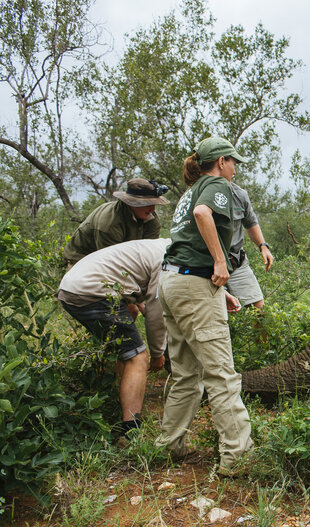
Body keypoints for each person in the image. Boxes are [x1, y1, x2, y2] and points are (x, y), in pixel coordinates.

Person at [156, 136, 252, 475]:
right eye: (233, 162)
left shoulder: (189, 191)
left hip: (172, 282)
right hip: (193, 283)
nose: (235, 168)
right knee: (221, 374)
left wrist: (213, 288)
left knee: (185, 373)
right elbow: (203, 215)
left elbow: (187, 237)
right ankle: (238, 458)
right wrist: (219, 262)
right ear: (222, 161)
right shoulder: (215, 185)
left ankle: (169, 444)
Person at [58, 238, 171, 440]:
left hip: (72, 288)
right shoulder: (168, 258)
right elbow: (156, 313)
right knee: (137, 357)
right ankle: (130, 431)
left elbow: (139, 295)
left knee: (128, 323)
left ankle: (113, 396)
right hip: (91, 292)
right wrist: (157, 353)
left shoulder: (158, 246)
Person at [63, 178, 170, 266]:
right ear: (133, 203)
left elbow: (148, 254)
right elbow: (109, 262)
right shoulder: (109, 224)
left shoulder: (151, 219)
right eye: (148, 204)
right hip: (81, 261)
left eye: (154, 204)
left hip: (121, 260)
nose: (153, 209)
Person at [226, 182, 274, 309]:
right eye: (233, 163)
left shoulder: (239, 194)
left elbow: (251, 222)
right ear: (221, 162)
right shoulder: (202, 192)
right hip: (208, 265)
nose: (235, 171)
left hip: (235, 261)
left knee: (259, 310)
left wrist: (263, 246)